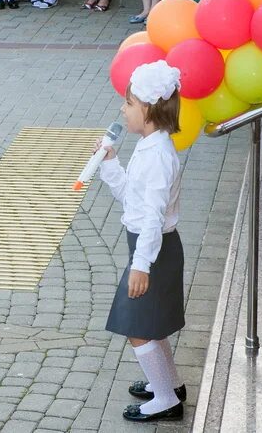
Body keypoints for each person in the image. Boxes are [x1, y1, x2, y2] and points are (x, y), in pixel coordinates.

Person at [98, 59, 187, 424]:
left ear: (148, 108)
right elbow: (134, 201)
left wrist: (140, 265)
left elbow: (151, 217)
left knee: (136, 327)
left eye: (129, 102)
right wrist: (109, 165)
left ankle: (166, 399)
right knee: (151, 323)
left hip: (152, 250)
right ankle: (170, 384)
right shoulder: (150, 147)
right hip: (151, 247)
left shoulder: (157, 157)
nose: (123, 108)